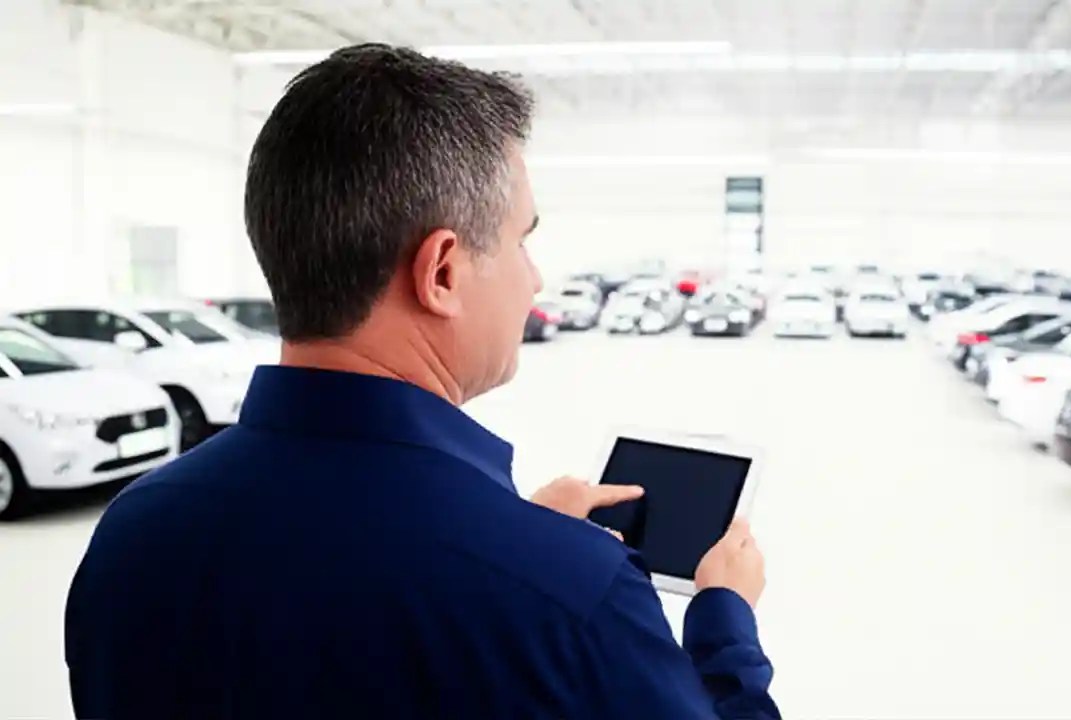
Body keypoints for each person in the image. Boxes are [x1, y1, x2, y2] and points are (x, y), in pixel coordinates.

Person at [64, 44, 780, 719]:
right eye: (520, 239)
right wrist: (724, 621)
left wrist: (519, 536)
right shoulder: (574, 598)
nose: (534, 276)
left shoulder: (134, 534)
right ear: (441, 272)